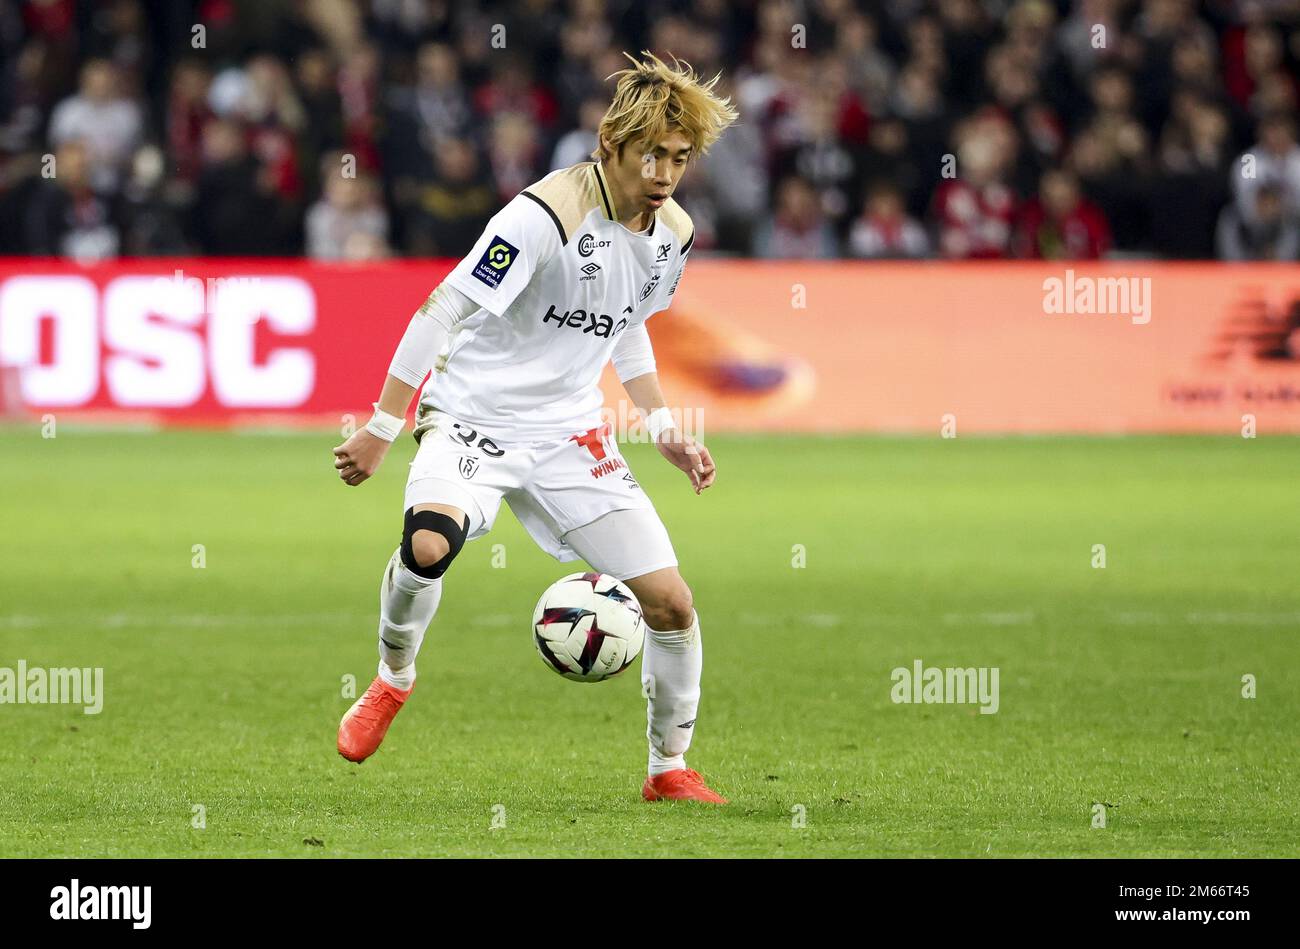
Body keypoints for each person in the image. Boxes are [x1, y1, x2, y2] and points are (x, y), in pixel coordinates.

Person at [331, 52, 738, 804]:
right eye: (651, 153)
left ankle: (668, 769)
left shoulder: (672, 235)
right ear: (609, 144)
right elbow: (442, 308)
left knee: (673, 603)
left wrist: (663, 423)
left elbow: (627, 323)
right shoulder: (544, 214)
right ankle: (392, 680)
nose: (665, 172)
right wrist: (384, 424)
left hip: (569, 433)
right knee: (428, 543)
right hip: (473, 415)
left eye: (680, 158)